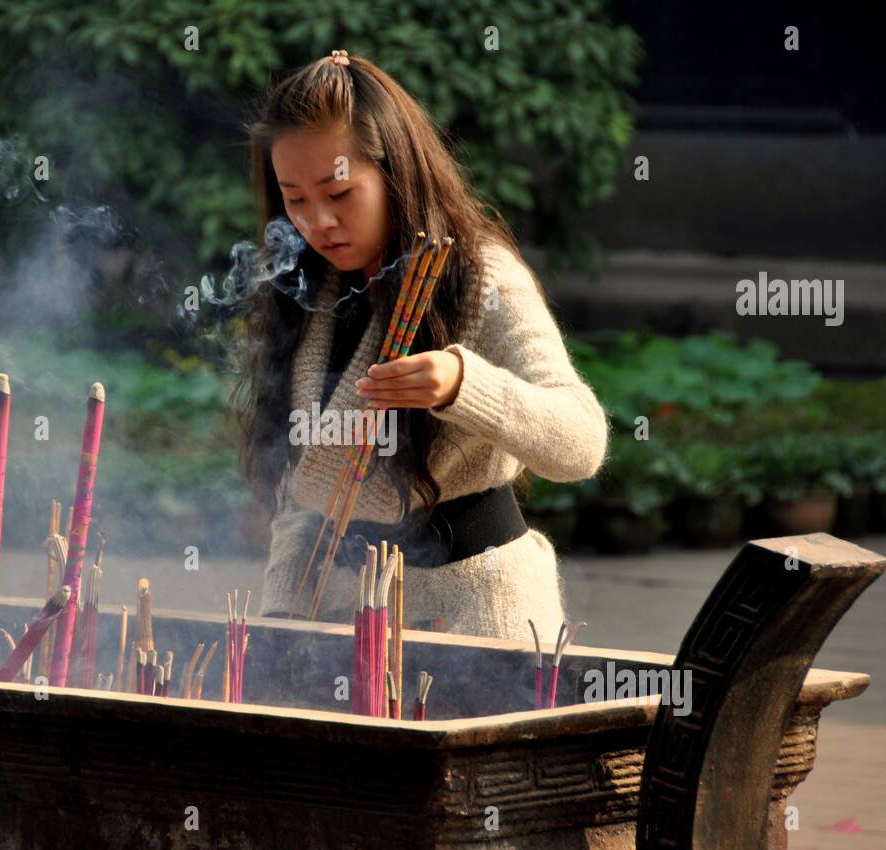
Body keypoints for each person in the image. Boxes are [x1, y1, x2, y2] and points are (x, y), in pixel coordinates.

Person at [231, 50, 609, 641]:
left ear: (395, 173)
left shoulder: (480, 275)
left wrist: (464, 385)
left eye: (339, 192)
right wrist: (281, 618)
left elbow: (581, 442)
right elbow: (304, 494)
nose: (318, 222)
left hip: (483, 614)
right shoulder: (303, 289)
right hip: (345, 618)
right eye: (295, 199)